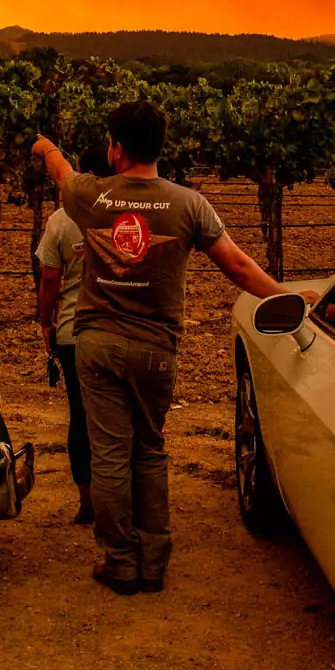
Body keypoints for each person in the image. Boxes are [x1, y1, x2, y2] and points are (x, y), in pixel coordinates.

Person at [32, 101, 300, 597]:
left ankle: (120, 563)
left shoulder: (92, 197)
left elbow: (61, 171)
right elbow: (238, 267)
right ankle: (154, 561)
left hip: (96, 344)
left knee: (110, 454)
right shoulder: (188, 204)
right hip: (157, 347)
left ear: (115, 147)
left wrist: (45, 145)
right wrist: (291, 300)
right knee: (150, 449)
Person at [34, 144, 110, 526]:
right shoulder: (126, 213)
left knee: (80, 416)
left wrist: (45, 322)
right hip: (116, 330)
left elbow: (50, 279)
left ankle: (86, 500)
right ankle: (120, 499)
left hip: (73, 333)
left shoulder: (61, 221)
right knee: (116, 419)